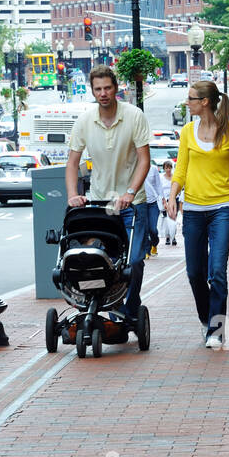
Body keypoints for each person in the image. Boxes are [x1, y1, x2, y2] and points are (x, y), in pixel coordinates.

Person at [166, 79, 229, 349]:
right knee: (194, 273)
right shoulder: (187, 132)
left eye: (190, 98)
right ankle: (206, 318)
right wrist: (172, 196)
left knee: (217, 272)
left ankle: (216, 328)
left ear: (204, 102)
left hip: (222, 208)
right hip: (193, 210)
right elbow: (180, 170)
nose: (186, 103)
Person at [65, 64, 151, 323]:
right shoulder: (84, 121)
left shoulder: (134, 116)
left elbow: (144, 160)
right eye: (98, 89)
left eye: (107, 88)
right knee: (98, 259)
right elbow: (72, 163)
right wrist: (72, 195)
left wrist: (129, 191)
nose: (103, 93)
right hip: (100, 204)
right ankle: (105, 304)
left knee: (134, 261)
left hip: (132, 203)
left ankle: (130, 307)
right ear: (92, 91)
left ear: (116, 88)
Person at [143, 154, 168, 257]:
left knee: (153, 228)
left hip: (153, 203)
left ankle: (155, 243)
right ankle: (146, 250)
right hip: (141, 203)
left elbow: (158, 185)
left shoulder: (153, 169)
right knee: (145, 228)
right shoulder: (135, 168)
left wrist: (163, 200)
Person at [158, 161, 179, 246]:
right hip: (164, 200)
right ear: (164, 169)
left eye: (169, 168)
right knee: (166, 219)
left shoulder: (174, 177)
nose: (168, 170)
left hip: (174, 199)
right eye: (166, 168)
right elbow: (159, 189)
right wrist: (162, 200)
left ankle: (173, 236)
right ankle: (167, 236)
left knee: (173, 218)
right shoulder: (161, 178)